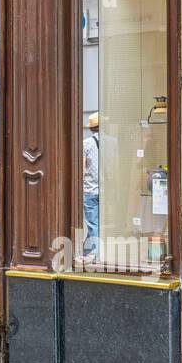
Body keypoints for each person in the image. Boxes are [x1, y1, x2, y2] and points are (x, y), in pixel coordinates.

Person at [81, 112, 101, 261]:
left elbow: (82, 168)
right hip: (108, 190)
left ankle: (95, 253)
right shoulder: (112, 141)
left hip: (90, 189)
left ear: (91, 128)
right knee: (97, 223)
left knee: (92, 222)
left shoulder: (86, 143)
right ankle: (87, 251)